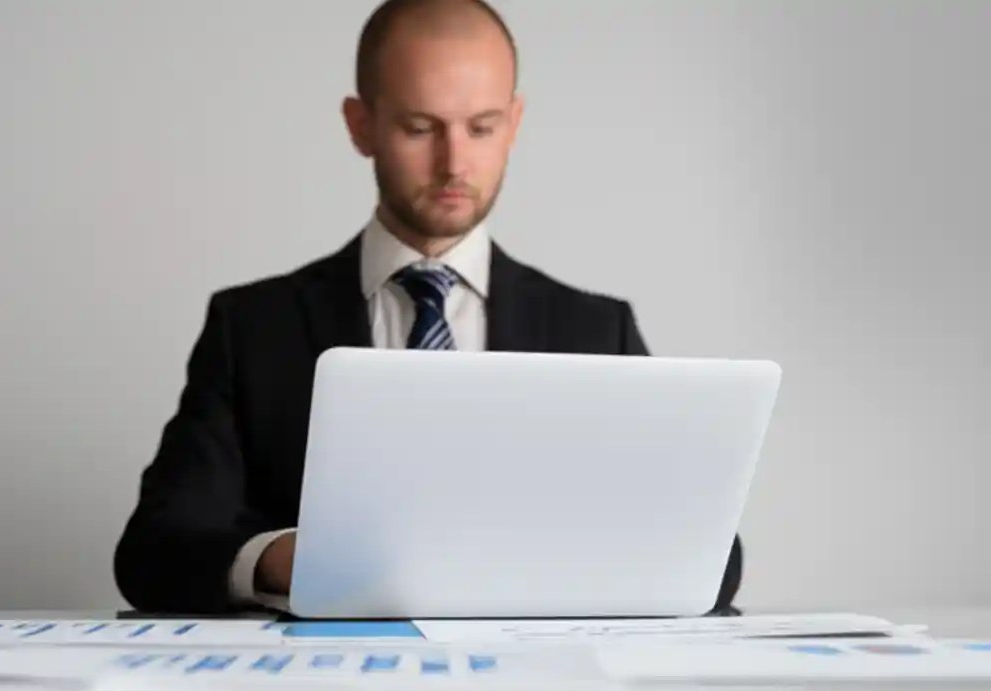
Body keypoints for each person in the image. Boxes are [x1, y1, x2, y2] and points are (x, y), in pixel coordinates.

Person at [114, 0, 742, 614]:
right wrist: (289, 559)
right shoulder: (249, 329)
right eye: (420, 128)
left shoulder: (598, 331)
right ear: (360, 126)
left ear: (515, 124)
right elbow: (154, 551)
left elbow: (717, 558)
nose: (454, 163)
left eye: (482, 126)